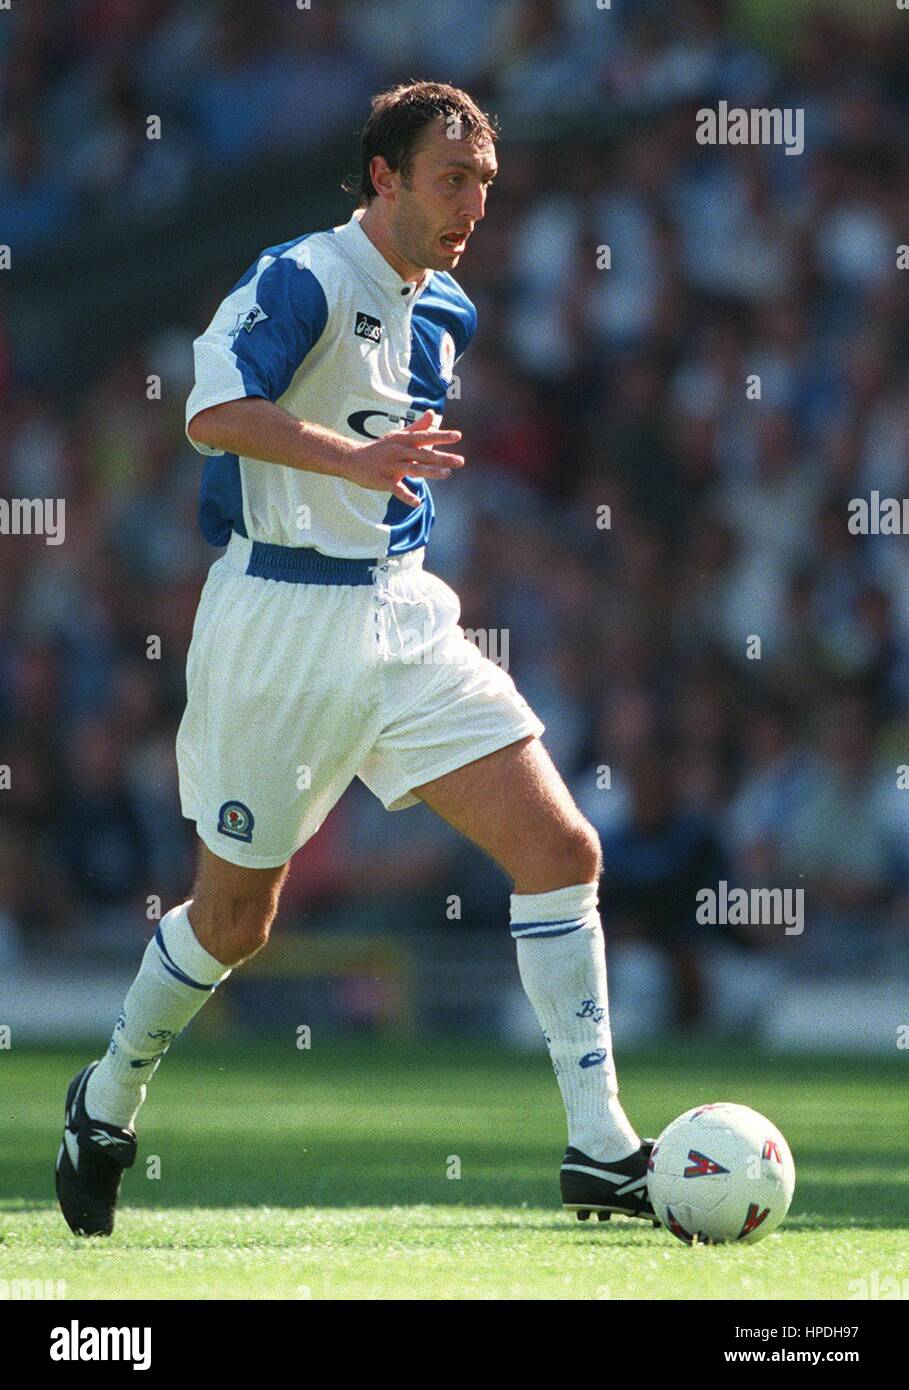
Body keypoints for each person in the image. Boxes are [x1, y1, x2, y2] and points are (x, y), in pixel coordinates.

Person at [56, 81, 654, 1236]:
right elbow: (214, 413)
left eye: (485, 181)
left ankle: (599, 1147)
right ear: (384, 176)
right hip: (278, 624)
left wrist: (377, 482)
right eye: (451, 179)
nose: (473, 201)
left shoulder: (449, 309)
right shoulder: (302, 276)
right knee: (236, 922)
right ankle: (108, 1094)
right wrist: (352, 462)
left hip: (405, 617)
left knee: (559, 847)